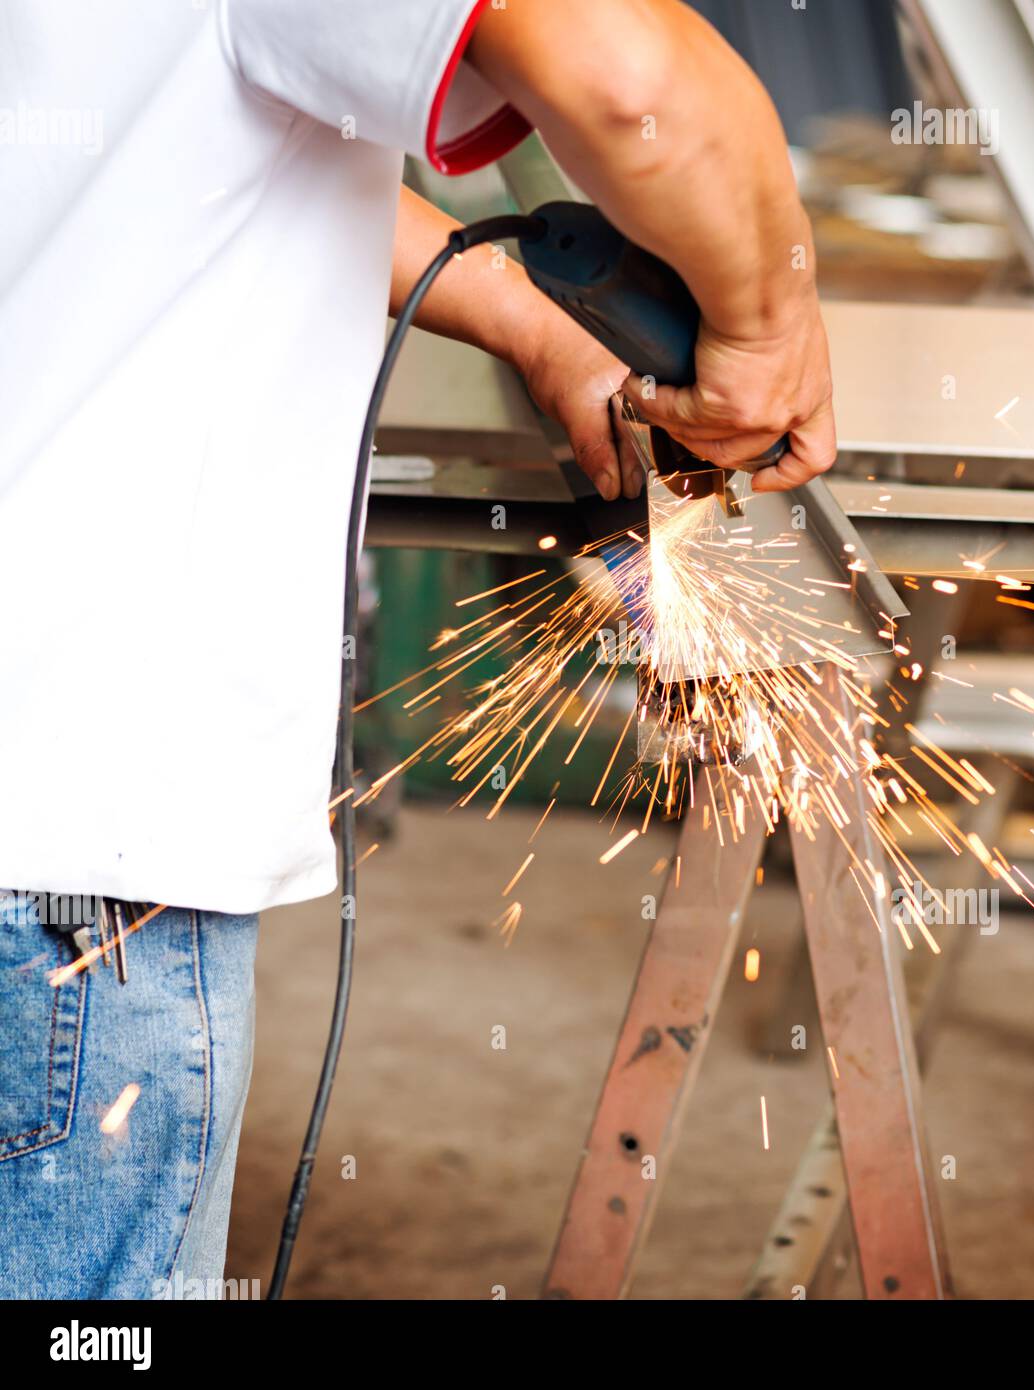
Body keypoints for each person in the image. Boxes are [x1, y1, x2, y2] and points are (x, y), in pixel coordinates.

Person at [0, 0, 835, 1297]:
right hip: (70, 860)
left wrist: (538, 320)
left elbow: (177, 152)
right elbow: (630, 80)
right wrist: (772, 327)